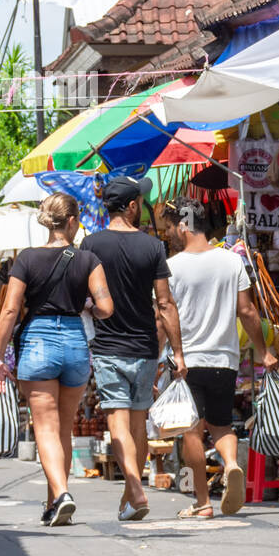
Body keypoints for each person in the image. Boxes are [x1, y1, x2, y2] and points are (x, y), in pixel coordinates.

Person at [0, 193, 114, 526]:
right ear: (72, 221)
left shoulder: (26, 259)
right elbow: (106, 308)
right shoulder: (88, 260)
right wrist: (84, 305)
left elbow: (11, 309)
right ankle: (55, 501)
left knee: (44, 427)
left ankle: (60, 495)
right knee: (63, 428)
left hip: (38, 342)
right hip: (75, 342)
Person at [160, 198, 274, 517]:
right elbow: (248, 311)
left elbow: (164, 316)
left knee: (192, 431)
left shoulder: (171, 267)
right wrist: (263, 352)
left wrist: (159, 358)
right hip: (225, 360)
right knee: (222, 425)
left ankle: (202, 503)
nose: (170, 233)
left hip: (187, 363)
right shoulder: (231, 261)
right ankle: (232, 464)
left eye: (172, 227)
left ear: (183, 226)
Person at [81, 175, 185, 522]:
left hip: (108, 346)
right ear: (130, 206)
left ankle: (134, 490)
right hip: (144, 347)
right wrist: (178, 352)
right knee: (138, 422)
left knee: (118, 423)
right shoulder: (153, 247)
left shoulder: (91, 245)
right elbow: (166, 304)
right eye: (139, 202)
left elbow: (83, 295)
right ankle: (131, 493)